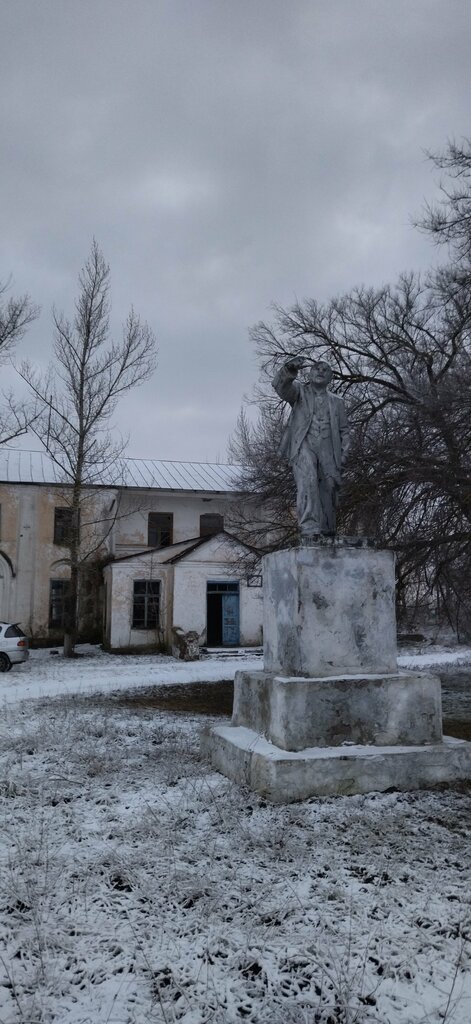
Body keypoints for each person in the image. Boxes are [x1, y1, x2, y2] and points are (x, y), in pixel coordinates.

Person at [272, 356, 349, 540]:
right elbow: (281, 388)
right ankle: (309, 527)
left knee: (328, 488)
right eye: (317, 368)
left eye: (325, 370)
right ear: (310, 373)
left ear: (331, 378)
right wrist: (289, 370)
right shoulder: (299, 392)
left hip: (328, 448)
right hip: (303, 444)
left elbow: (344, 431)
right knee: (308, 481)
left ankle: (327, 529)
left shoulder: (337, 402)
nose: (320, 372)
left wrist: (344, 454)